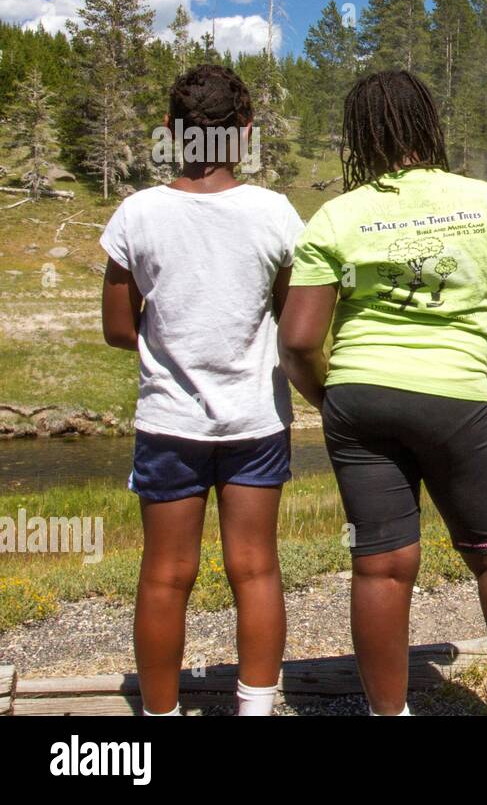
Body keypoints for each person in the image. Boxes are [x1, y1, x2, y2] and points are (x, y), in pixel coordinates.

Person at [278, 69, 487, 716]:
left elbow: (296, 341)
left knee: (380, 565)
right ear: (429, 127)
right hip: (457, 396)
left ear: (360, 137)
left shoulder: (336, 217)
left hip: (359, 397)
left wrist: (334, 401)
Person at [101, 64, 302, 716]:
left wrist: (171, 349)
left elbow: (115, 327)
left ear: (170, 132)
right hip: (255, 422)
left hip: (168, 424)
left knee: (165, 575)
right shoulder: (275, 214)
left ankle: (158, 716)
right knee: (256, 569)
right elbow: (290, 320)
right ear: (245, 134)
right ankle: (254, 710)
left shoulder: (138, 215)